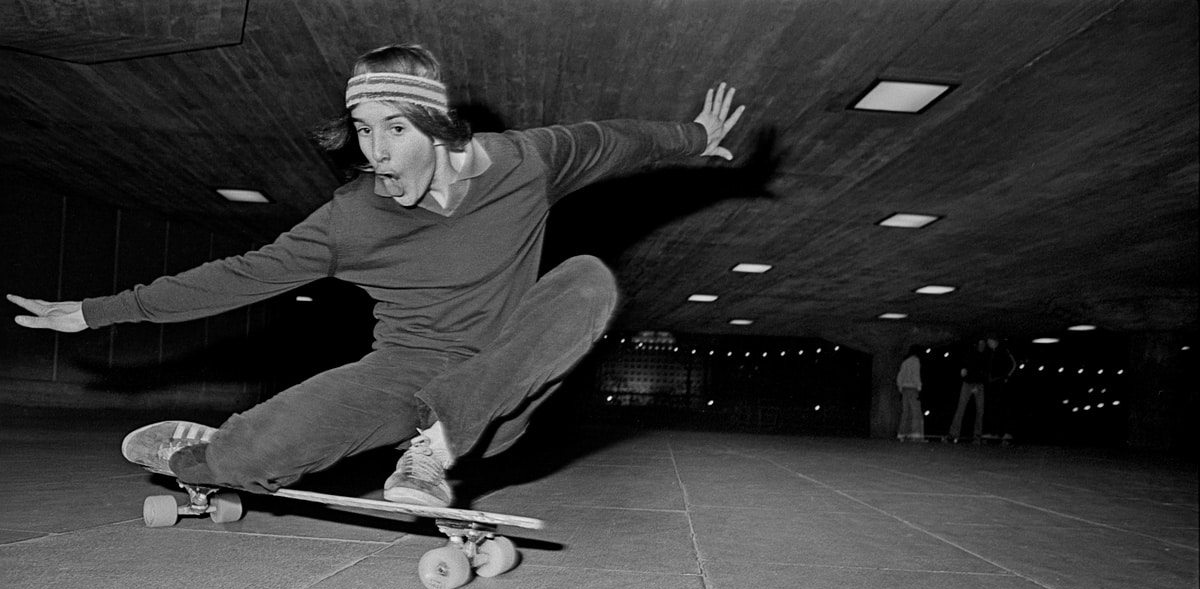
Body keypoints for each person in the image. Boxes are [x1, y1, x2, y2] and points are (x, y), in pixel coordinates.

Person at [8, 43, 745, 507]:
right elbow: (241, 275)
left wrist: (695, 138)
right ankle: (203, 452)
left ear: (441, 129)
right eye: (364, 130)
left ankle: (436, 450)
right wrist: (99, 312)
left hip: (502, 376)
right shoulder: (350, 217)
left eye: (395, 129)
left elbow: (619, 143)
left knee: (586, 278)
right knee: (251, 456)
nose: (377, 153)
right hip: (399, 372)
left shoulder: (528, 161)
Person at [946, 338, 987, 443]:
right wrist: (964, 371)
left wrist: (977, 385)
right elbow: (965, 367)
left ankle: (978, 435)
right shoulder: (970, 353)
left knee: (980, 410)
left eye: (984, 344)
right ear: (977, 344)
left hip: (979, 384)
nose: (982, 346)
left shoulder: (986, 356)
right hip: (968, 383)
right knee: (961, 407)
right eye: (980, 344)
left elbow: (984, 372)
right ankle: (954, 432)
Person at [983, 332, 1017, 443]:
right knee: (994, 407)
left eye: (989, 342)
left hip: (1001, 383)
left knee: (1004, 407)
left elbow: (1014, 364)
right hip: (992, 383)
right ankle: (994, 432)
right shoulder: (991, 353)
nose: (988, 344)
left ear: (994, 341)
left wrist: (1007, 377)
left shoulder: (1003, 350)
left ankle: (1007, 432)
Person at [895, 344, 924, 442]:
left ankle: (901, 434)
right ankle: (915, 435)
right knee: (916, 411)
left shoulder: (905, 362)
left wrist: (900, 387)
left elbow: (900, 376)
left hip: (904, 389)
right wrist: (919, 386)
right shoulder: (916, 361)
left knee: (905, 412)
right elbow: (916, 375)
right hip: (912, 388)